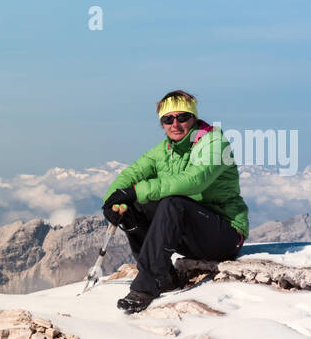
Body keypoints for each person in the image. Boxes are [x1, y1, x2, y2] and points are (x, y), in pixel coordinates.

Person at [102, 91, 249, 313]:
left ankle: (146, 287)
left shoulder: (214, 142)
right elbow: (131, 174)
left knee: (173, 204)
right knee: (132, 207)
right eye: (168, 119)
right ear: (161, 123)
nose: (175, 124)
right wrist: (114, 201)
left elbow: (195, 180)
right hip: (192, 233)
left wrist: (135, 191)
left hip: (225, 235)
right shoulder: (165, 150)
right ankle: (164, 277)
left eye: (182, 117)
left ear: (194, 118)